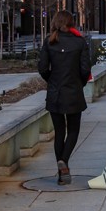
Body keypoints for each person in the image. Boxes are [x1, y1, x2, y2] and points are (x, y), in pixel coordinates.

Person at [38, 11, 91, 185]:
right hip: (74, 92)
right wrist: (80, 83)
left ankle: (62, 173)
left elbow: (43, 68)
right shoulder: (79, 42)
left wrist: (52, 81)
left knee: (59, 132)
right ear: (71, 23)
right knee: (74, 131)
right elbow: (85, 69)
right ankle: (64, 162)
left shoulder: (49, 41)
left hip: (55, 93)